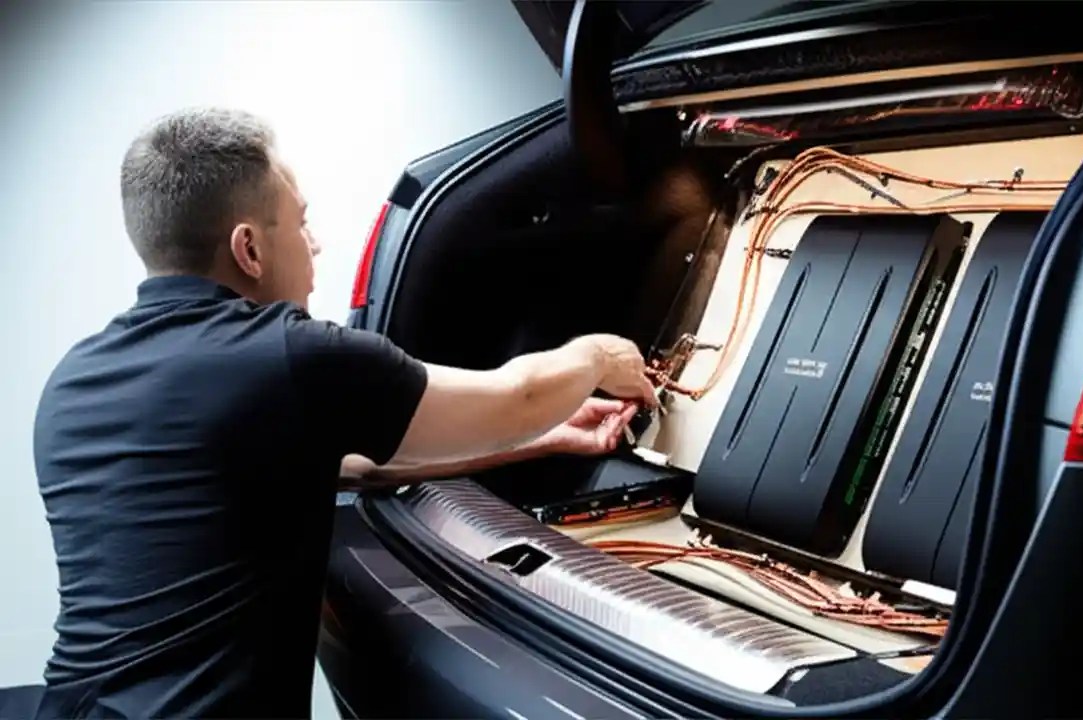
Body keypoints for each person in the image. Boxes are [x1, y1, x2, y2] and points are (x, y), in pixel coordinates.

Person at [31, 107, 658, 719]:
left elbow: (351, 465)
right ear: (248, 249)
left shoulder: (72, 380)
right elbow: (513, 395)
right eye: (300, 223)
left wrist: (549, 436)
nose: (316, 244)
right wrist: (598, 355)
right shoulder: (285, 355)